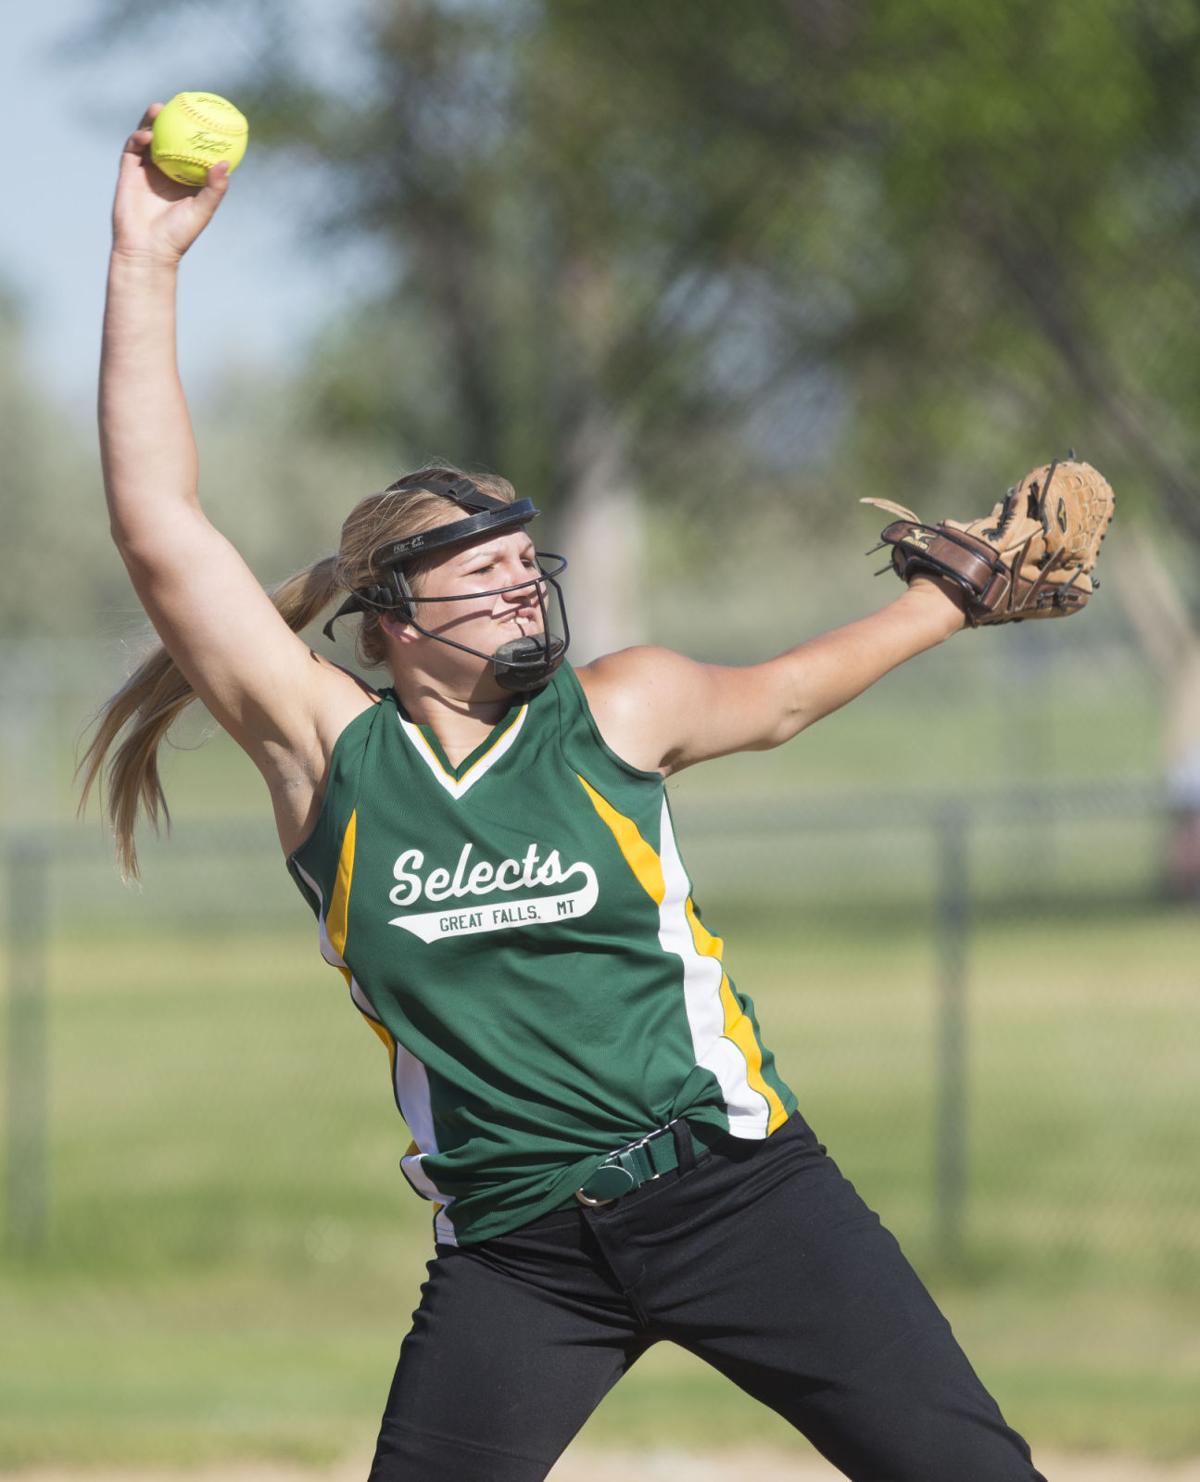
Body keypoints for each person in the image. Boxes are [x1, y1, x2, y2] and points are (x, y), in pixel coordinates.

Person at [82, 104, 1048, 1482]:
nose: (520, 587)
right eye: (481, 574)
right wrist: (146, 261)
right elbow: (158, 526)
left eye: (527, 564)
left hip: (736, 1187)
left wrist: (949, 603)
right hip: (520, 1248)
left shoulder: (613, 707)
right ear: (386, 623)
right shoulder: (330, 755)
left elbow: (774, 699)